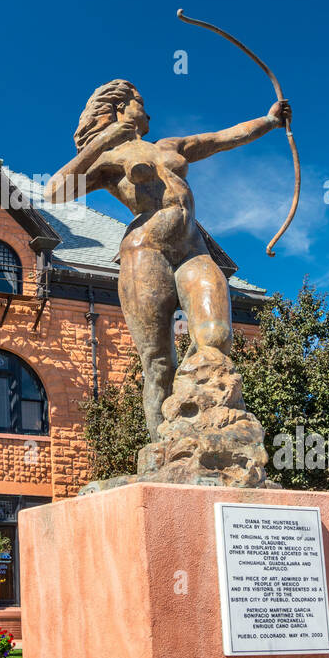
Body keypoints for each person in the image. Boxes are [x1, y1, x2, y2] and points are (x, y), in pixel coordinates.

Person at [47, 80, 291, 438]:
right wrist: (105, 138)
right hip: (145, 251)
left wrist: (269, 122)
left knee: (217, 335)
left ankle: (202, 419)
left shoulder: (168, 146)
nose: (147, 112)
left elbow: (224, 138)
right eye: (139, 103)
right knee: (158, 363)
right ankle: (162, 448)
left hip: (192, 247)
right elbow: (56, 190)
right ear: (119, 108)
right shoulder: (107, 158)